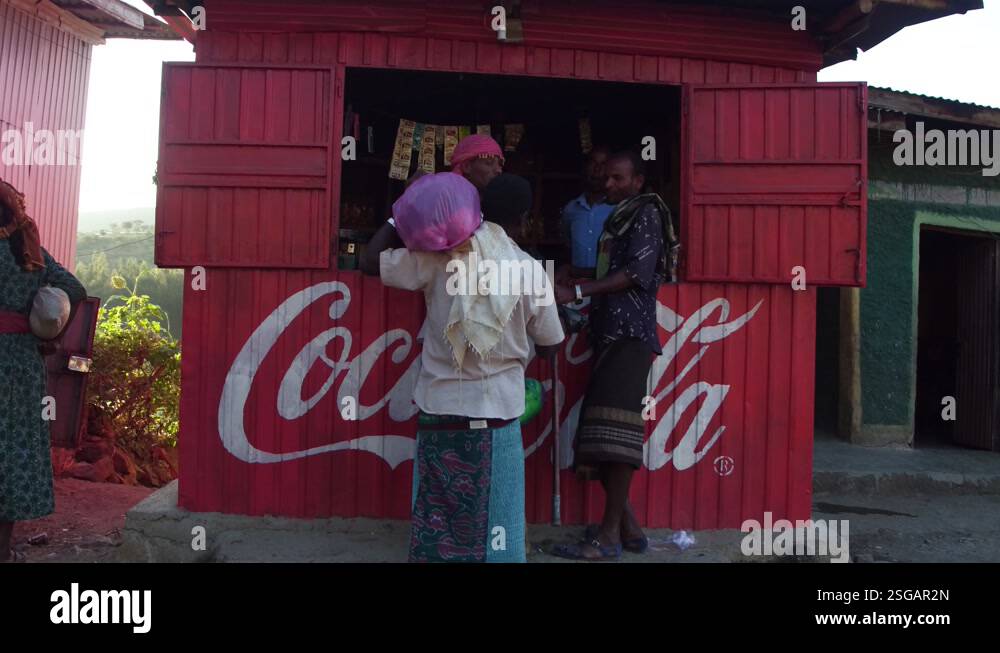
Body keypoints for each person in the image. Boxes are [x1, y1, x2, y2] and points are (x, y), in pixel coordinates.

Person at [361, 173, 564, 563]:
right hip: (497, 418)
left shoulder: (439, 259)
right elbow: (552, 345)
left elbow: (371, 261)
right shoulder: (531, 270)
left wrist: (400, 216)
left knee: (437, 531)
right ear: (524, 218)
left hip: (439, 415)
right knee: (497, 538)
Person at [551, 150, 678, 561]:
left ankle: (607, 538)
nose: (609, 185)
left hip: (630, 337)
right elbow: (612, 269)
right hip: (609, 336)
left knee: (617, 437)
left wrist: (578, 291)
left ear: (639, 181)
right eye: (607, 178)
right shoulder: (620, 216)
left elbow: (634, 274)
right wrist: (576, 275)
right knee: (600, 434)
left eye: (618, 179)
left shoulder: (646, 214)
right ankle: (630, 530)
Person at [0, 178, 87, 563]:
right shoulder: (29, 252)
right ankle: (3, 550)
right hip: (21, 362)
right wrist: (53, 335)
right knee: (14, 451)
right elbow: (74, 288)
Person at [557, 146, 613, 282]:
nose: (597, 169)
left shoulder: (618, 209)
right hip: (575, 291)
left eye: (603, 164)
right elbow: (568, 245)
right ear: (585, 168)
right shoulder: (571, 209)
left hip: (609, 288)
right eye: (593, 163)